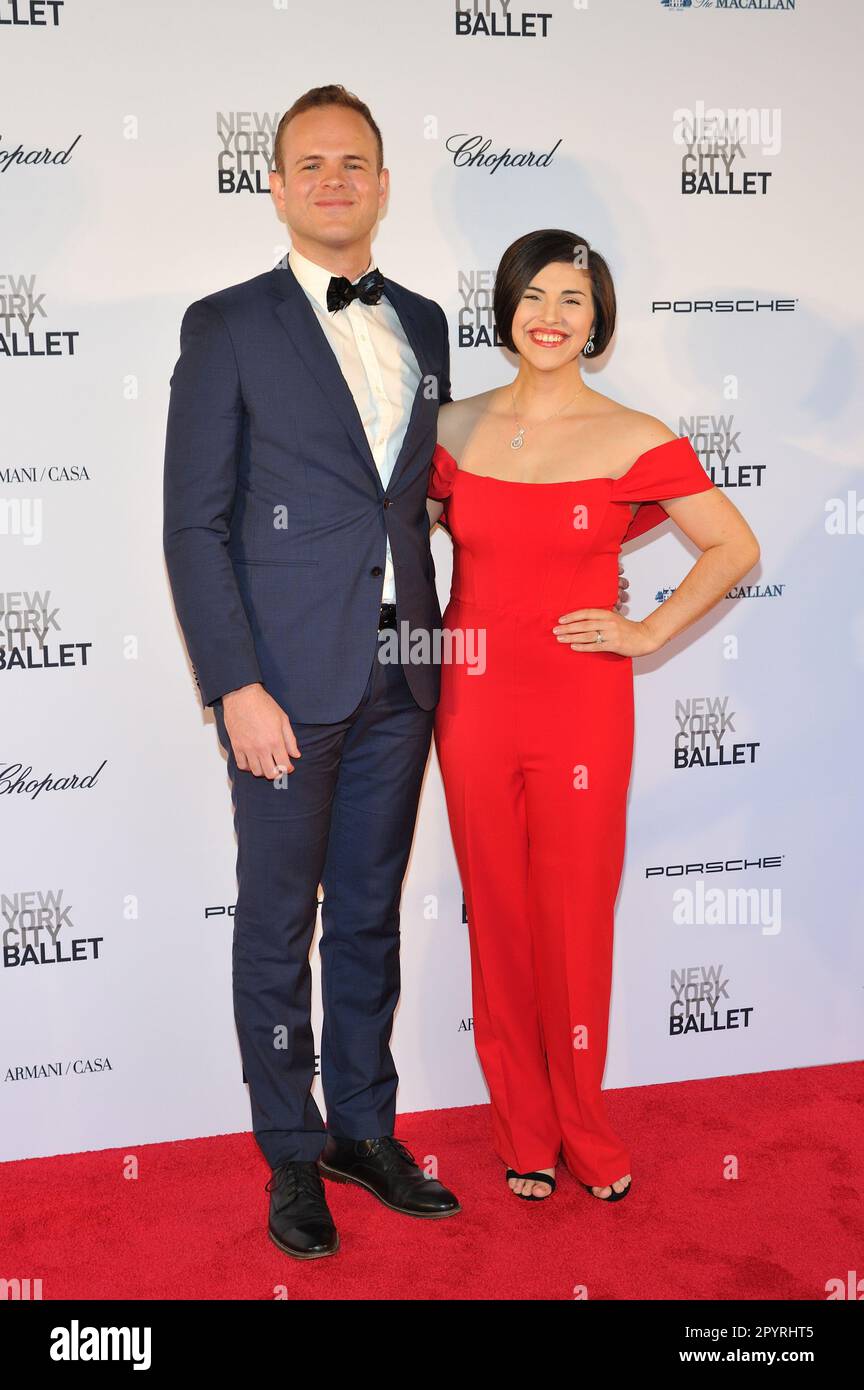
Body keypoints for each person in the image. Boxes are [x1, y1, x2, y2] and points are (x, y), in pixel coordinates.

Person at [162, 85, 472, 1260]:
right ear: (279, 186)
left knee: (371, 917)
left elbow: (418, 493)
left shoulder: (430, 324)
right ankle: (291, 1152)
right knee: (278, 918)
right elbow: (195, 524)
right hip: (284, 683)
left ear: (385, 186)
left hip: (405, 663)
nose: (335, 179)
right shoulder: (227, 323)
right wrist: (234, 681)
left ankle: (365, 1129)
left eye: (356, 162)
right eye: (311, 163)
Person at [426, 229, 760, 1203]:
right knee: (499, 915)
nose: (551, 315)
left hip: (581, 703)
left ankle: (586, 1128)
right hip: (473, 697)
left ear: (598, 322)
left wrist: (648, 631)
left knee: (574, 918)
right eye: (535, 295)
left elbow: (732, 546)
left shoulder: (634, 436)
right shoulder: (453, 431)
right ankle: (524, 1130)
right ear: (506, 310)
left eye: (574, 299)